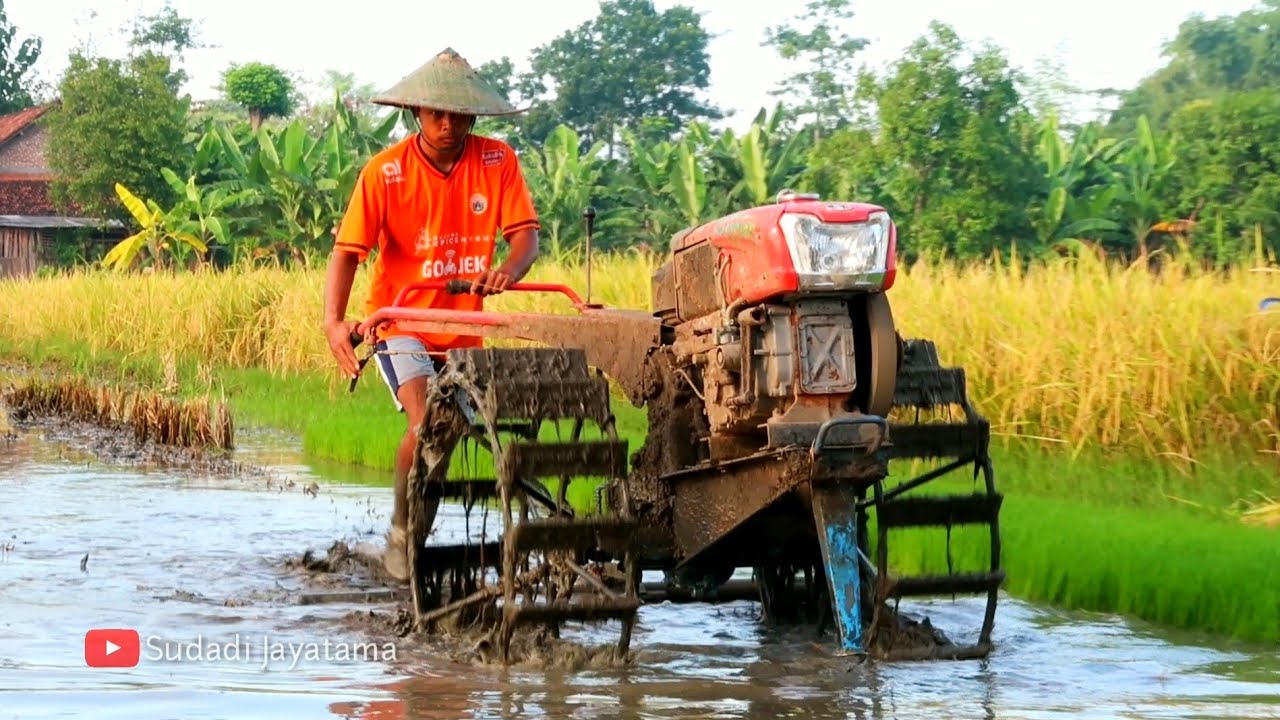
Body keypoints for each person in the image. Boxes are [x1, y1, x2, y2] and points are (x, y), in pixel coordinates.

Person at [321, 48, 541, 582]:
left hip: (464, 329)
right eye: (437, 113)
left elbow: (525, 240)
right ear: (417, 113)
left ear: (473, 116)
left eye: (459, 114)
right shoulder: (386, 173)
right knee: (426, 426)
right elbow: (348, 252)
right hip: (402, 323)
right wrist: (334, 322)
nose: (448, 124)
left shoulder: (497, 162)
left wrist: (506, 271)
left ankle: (414, 540)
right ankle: (402, 533)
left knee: (447, 434)